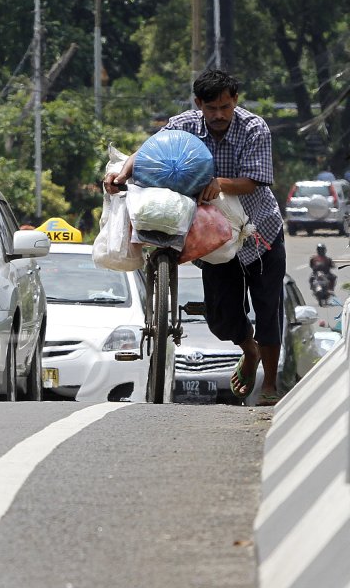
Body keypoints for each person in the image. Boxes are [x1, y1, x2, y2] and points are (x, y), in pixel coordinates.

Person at [105, 69, 286, 406]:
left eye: (226, 107)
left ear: (235, 102)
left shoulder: (254, 128)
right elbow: (148, 151)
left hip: (259, 230)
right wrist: (122, 173)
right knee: (221, 314)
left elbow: (256, 180)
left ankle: (270, 385)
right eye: (212, 108)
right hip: (212, 234)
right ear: (198, 104)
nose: (219, 115)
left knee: (267, 307)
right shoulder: (183, 124)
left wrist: (220, 183)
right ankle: (249, 352)